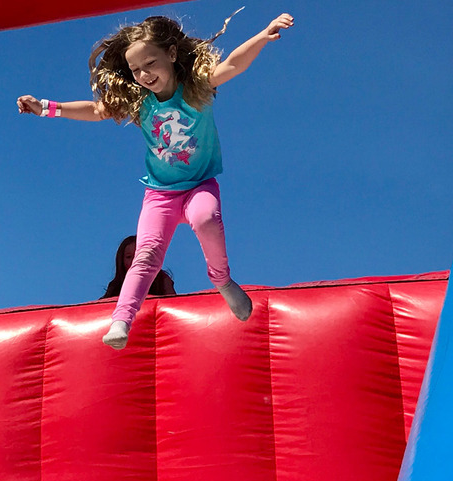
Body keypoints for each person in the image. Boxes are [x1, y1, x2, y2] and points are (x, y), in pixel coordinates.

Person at [17, 11, 293, 349]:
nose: (145, 74)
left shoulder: (195, 88)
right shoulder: (139, 102)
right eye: (136, 70)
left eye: (151, 63)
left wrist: (263, 36)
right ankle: (121, 319)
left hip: (198, 185)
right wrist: (45, 107)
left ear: (172, 54)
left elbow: (233, 64)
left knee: (206, 218)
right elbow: (95, 111)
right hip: (160, 194)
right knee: (146, 254)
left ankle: (222, 281)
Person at [102, 235, 175, 299]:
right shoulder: (116, 286)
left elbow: (172, 304)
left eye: (137, 255)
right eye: (129, 257)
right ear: (121, 261)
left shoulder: (162, 280)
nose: (134, 260)